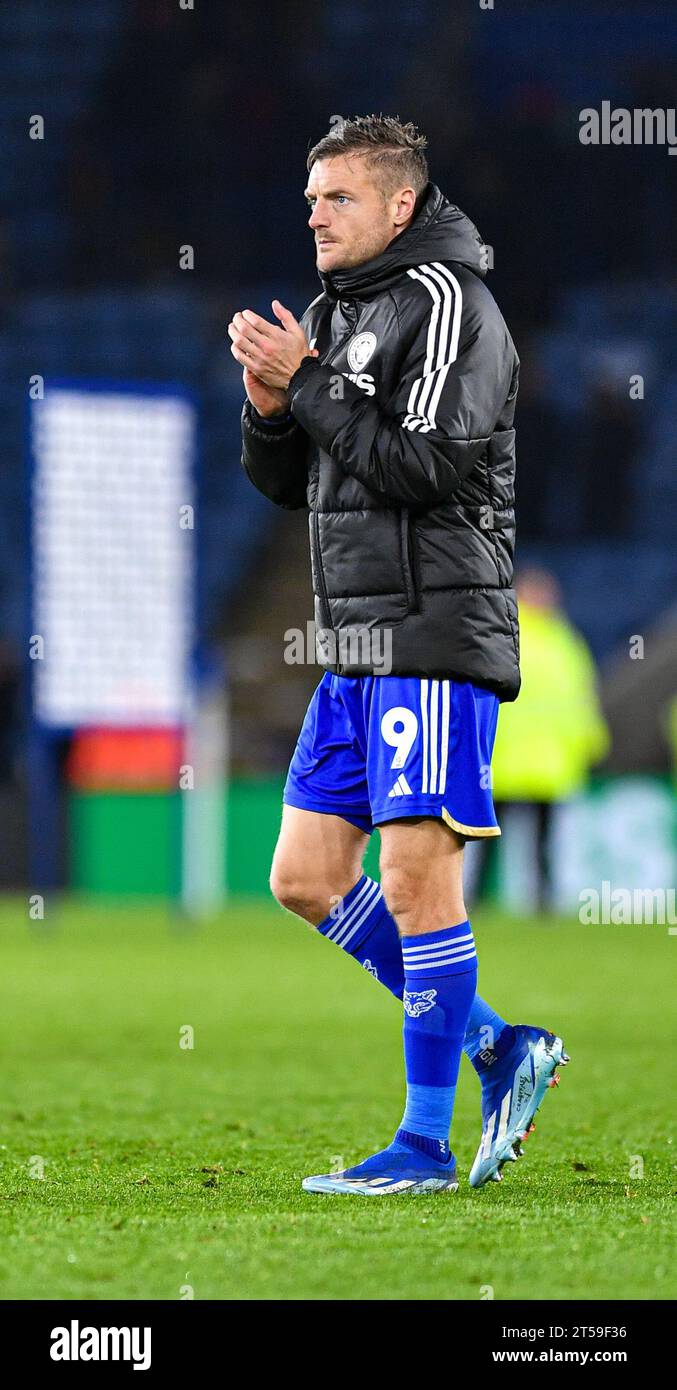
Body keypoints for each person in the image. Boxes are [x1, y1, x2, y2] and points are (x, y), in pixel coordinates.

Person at [230, 115, 567, 1196]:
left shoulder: (449, 303)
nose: (314, 214)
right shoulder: (338, 315)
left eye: (336, 197)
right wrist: (271, 409)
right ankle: (498, 1046)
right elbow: (301, 488)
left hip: (428, 628)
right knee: (303, 876)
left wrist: (315, 385)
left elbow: (428, 469)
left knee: (418, 882)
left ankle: (419, 1145)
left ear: (398, 206)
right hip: (354, 641)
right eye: (309, 197)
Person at [484, 568, 611, 909]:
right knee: (485, 837)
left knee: (544, 843)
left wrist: (590, 742)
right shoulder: (509, 636)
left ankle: (543, 902)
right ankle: (475, 902)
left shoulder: (562, 640)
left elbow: (582, 698)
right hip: (506, 761)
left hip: (546, 763)